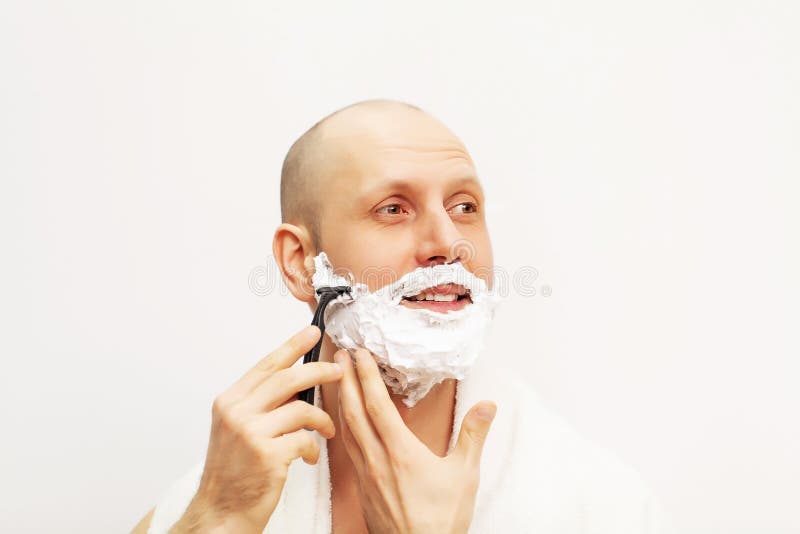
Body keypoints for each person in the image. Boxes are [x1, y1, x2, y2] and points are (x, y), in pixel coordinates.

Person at [131, 99, 671, 533]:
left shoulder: (601, 507)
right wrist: (216, 521)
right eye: (394, 209)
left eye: (464, 207)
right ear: (302, 263)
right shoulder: (214, 501)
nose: (450, 243)